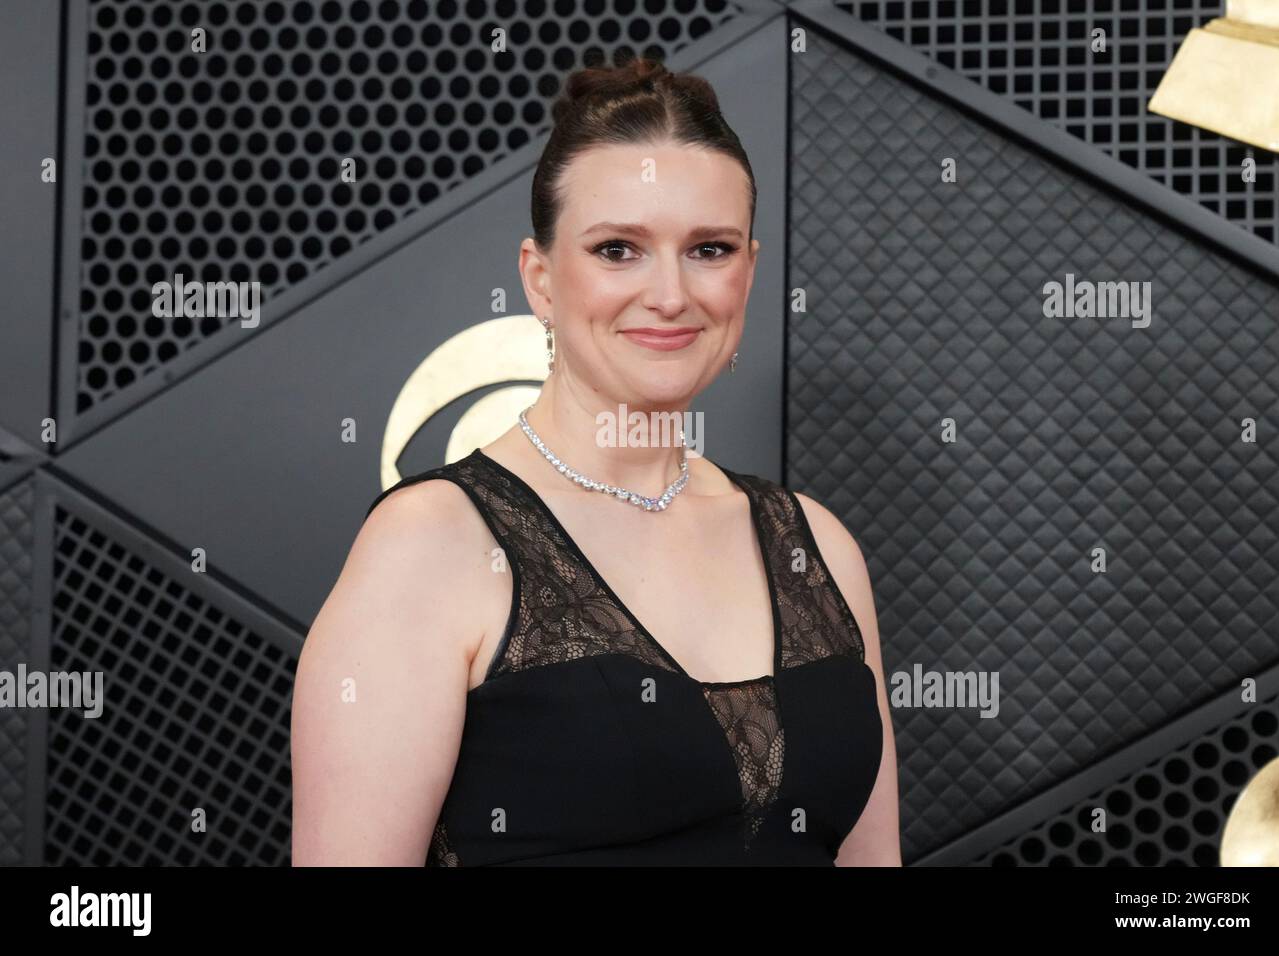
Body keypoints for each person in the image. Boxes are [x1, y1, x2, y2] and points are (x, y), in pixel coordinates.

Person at [291, 55, 900, 866]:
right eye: (619, 250)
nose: (671, 293)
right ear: (540, 280)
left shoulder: (818, 547)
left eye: (709, 249)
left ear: (749, 274)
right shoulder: (431, 545)